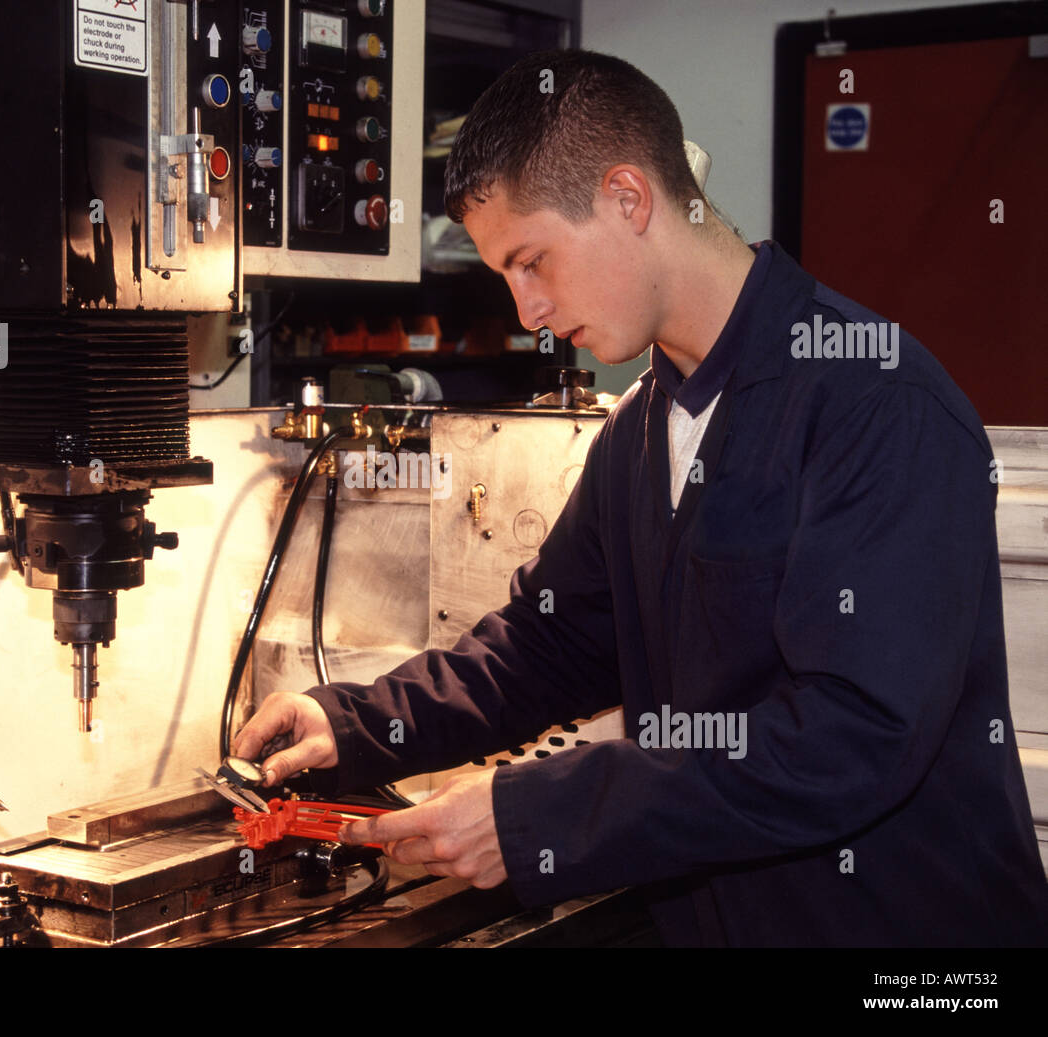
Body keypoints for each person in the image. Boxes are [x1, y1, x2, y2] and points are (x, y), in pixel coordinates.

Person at [233, 49, 1048, 946]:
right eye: (508, 275)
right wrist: (353, 723)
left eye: (532, 260)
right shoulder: (642, 429)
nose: (527, 311)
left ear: (628, 198)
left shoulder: (873, 402)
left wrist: (543, 815)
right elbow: (545, 643)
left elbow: (850, 739)